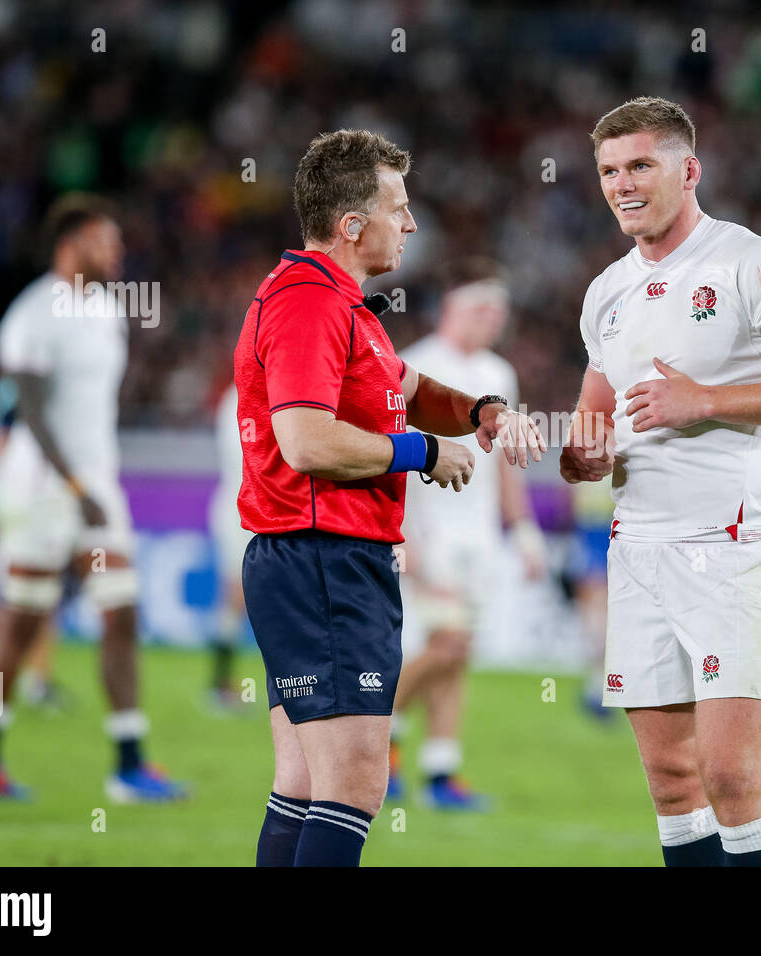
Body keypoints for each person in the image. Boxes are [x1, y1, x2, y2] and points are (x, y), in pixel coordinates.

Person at [560, 97, 761, 866]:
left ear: (688, 170)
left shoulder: (752, 263)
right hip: (638, 550)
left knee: (730, 774)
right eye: (608, 171)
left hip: (731, 545)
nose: (622, 184)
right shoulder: (606, 293)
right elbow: (593, 423)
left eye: (640, 165)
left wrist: (708, 400)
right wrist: (581, 454)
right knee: (670, 779)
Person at [237, 130, 545, 867]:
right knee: (353, 784)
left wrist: (482, 413)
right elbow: (307, 442)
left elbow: (413, 390)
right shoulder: (310, 304)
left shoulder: (347, 309)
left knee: (307, 782)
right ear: (352, 225)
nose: (410, 224)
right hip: (324, 560)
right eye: (399, 209)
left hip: (315, 560)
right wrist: (424, 452)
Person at [0, 193, 185, 803]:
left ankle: (130, 764)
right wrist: (75, 486)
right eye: (106, 240)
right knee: (24, 622)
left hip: (95, 486)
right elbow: (30, 416)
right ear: (72, 244)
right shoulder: (32, 315)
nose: (117, 251)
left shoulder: (109, 310)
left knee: (122, 613)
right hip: (41, 489)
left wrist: (92, 485)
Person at [391, 259, 547, 809]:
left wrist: (523, 530)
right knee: (445, 643)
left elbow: (506, 462)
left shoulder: (500, 374)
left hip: (478, 534)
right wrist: (403, 538)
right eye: (480, 308)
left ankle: (440, 771)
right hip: (428, 531)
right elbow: (391, 457)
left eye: (497, 311)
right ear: (451, 308)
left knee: (458, 652)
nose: (491, 320)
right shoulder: (414, 367)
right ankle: (381, 737)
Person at [206, 382, 251, 710]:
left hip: (240, 505)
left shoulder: (231, 397)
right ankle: (220, 686)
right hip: (243, 507)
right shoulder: (243, 398)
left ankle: (222, 684)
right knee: (237, 595)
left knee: (237, 597)